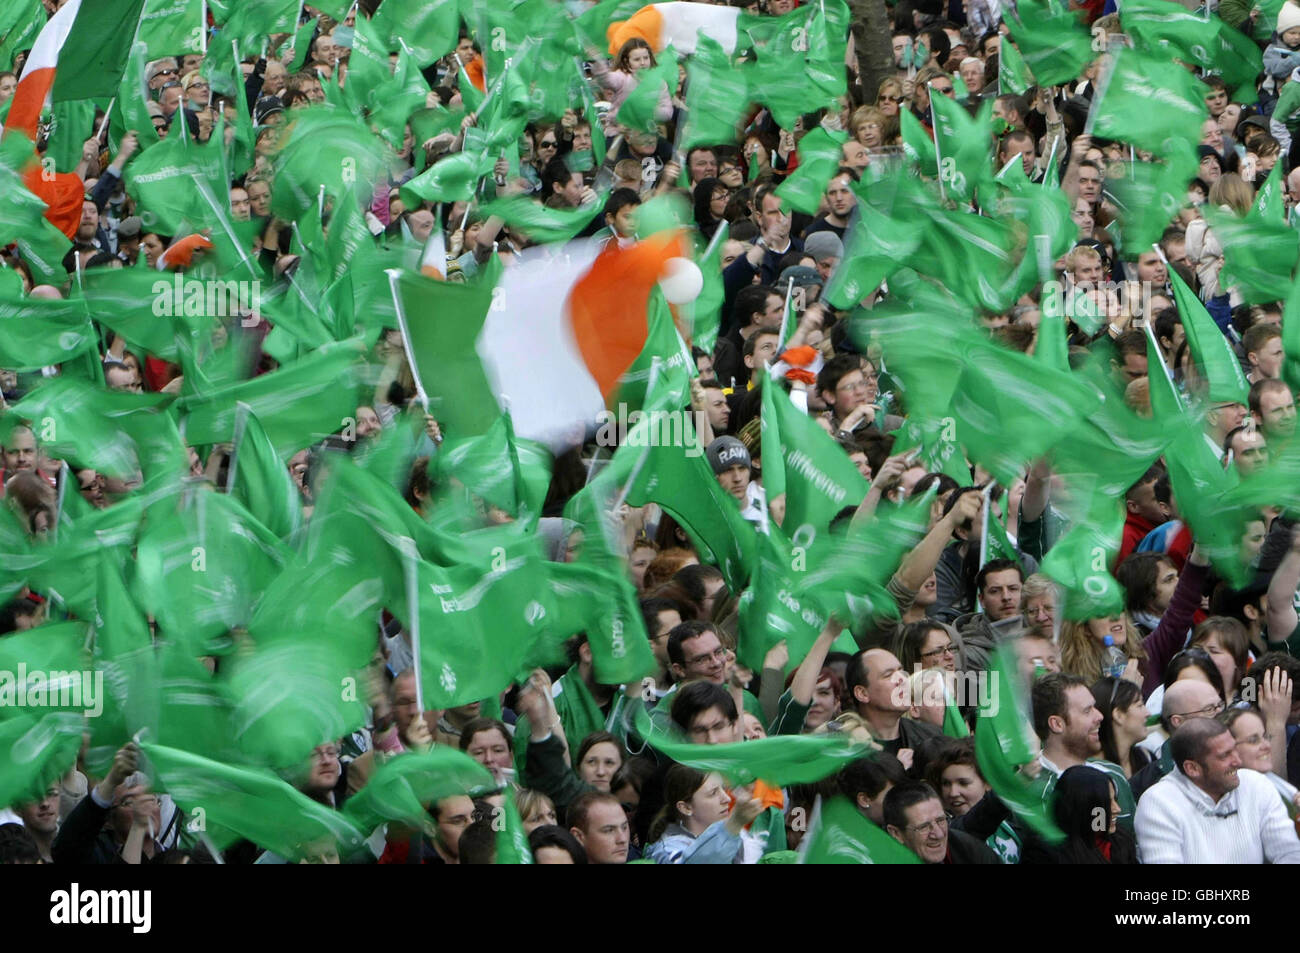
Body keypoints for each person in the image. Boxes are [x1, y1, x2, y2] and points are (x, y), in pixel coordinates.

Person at [1135, 718, 1300, 863]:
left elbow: (1289, 853)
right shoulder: (1158, 803)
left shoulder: (1255, 784)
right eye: (1225, 756)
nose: (1237, 761)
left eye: (1234, 749)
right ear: (1192, 768)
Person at [1030, 673, 1136, 830]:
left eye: (1095, 707)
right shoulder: (1033, 791)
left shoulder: (1113, 773)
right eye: (1087, 711)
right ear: (1057, 724)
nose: (1100, 716)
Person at [643, 765, 762, 863]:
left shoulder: (739, 838)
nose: (727, 798)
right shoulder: (667, 851)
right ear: (685, 808)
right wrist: (733, 825)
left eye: (723, 789)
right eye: (713, 793)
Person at [1022, 765, 1138, 864]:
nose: (1117, 809)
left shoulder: (1120, 841)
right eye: (1106, 803)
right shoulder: (1044, 852)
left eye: (1115, 799)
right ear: (1083, 807)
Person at [883, 780, 1000, 863]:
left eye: (941, 820)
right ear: (896, 833)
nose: (939, 834)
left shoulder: (969, 851)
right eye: (924, 827)